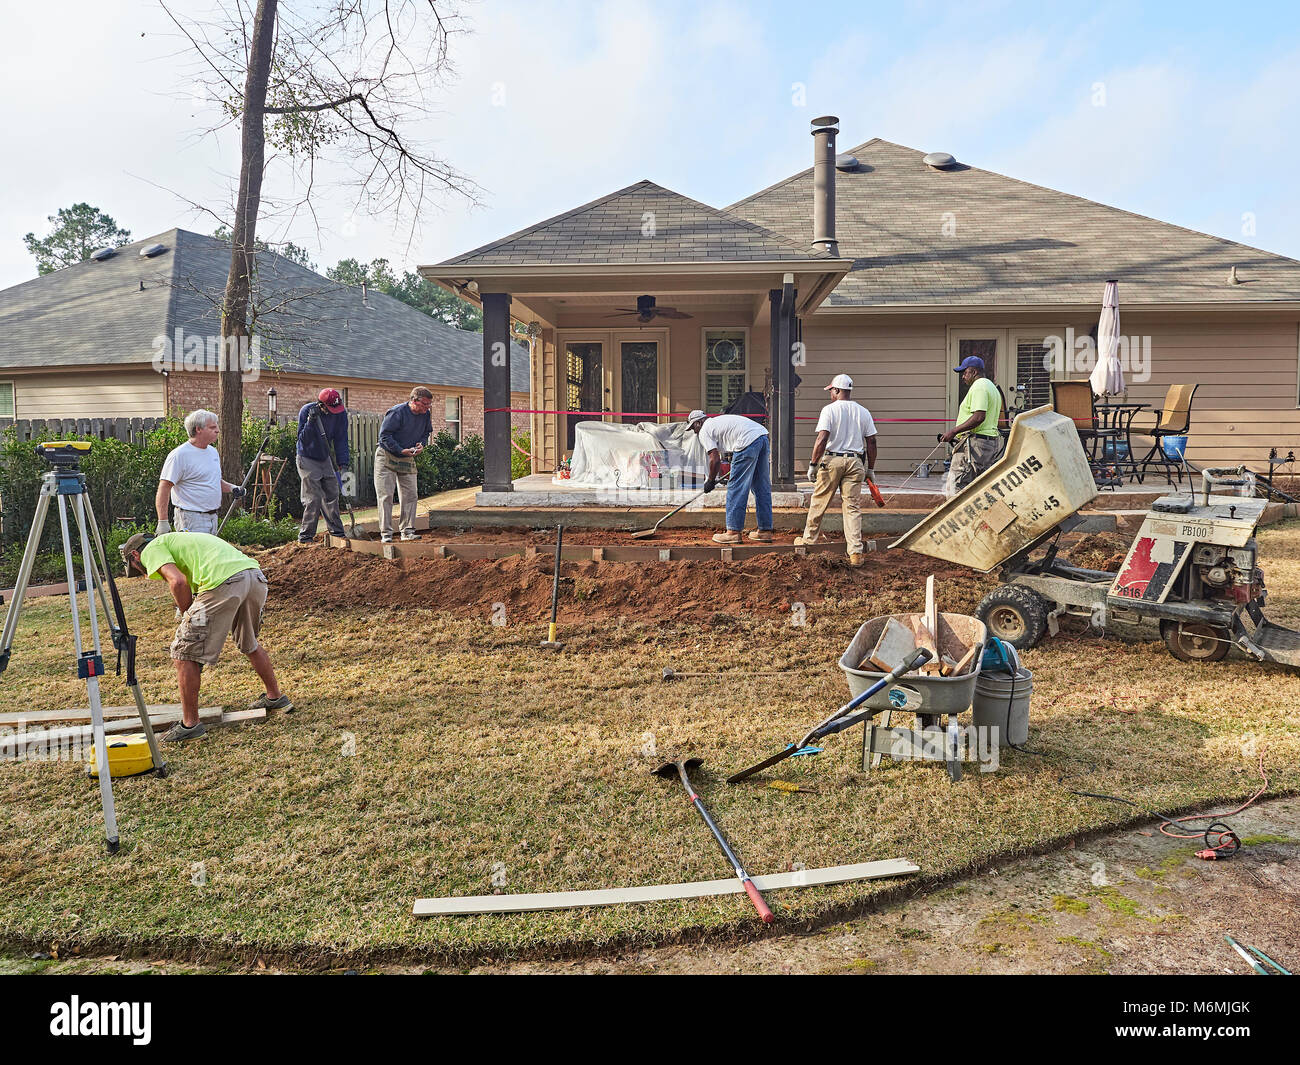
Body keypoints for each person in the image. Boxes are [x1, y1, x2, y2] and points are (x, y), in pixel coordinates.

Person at [119, 531, 292, 742]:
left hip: (224, 582)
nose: (143, 572)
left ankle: (190, 725)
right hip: (253, 577)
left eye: (136, 568)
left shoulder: (151, 550)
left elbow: (178, 582)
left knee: (183, 653)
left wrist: (187, 616)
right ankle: (276, 698)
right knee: (249, 643)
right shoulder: (180, 541)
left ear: (135, 556)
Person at [795, 373, 878, 566]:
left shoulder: (829, 410)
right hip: (855, 461)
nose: (830, 393)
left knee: (820, 500)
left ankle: (808, 541)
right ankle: (855, 552)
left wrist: (813, 464)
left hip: (832, 460)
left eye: (832, 390)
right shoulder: (863, 411)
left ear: (838, 390)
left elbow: (822, 438)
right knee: (852, 507)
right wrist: (870, 468)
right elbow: (872, 441)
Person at [685, 409, 772, 544]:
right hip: (762, 436)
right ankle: (765, 531)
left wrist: (710, 481)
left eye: (693, 427)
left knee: (736, 487)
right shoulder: (717, 423)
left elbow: (714, 459)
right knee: (761, 486)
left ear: (699, 423)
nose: (694, 431)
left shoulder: (704, 430)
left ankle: (733, 532)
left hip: (747, 441)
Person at [155, 409, 245, 535]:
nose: (217, 430)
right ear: (198, 429)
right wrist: (163, 521)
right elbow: (164, 487)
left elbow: (213, 481)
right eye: (212, 427)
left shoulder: (212, 452)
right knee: (193, 555)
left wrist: (232, 488)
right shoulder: (179, 455)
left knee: (208, 555)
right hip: (191, 520)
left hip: (212, 517)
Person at [375, 386, 434, 543]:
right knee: (386, 496)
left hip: (407, 457)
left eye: (429, 405)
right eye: (425, 404)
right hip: (387, 456)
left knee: (410, 494)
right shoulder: (397, 412)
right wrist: (401, 450)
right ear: (414, 400)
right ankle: (386, 533)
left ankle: (407, 531)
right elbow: (384, 437)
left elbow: (425, 433)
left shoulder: (425, 414)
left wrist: (421, 444)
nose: (427, 408)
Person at [941, 356, 1004, 496]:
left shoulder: (979, 387)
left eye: (965, 372)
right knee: (979, 489)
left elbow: (978, 417)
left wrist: (953, 431)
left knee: (956, 485)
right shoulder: (991, 387)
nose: (963, 377)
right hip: (986, 443)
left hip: (975, 444)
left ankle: (955, 516)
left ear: (974, 372)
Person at [296, 388, 350, 543]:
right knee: (313, 497)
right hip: (306, 457)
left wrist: (343, 463)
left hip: (325, 457)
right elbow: (302, 440)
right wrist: (311, 422)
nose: (334, 412)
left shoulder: (340, 414)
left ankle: (337, 533)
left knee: (332, 493)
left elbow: (341, 439)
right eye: (330, 409)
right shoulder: (307, 411)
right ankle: (305, 537)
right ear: (321, 405)